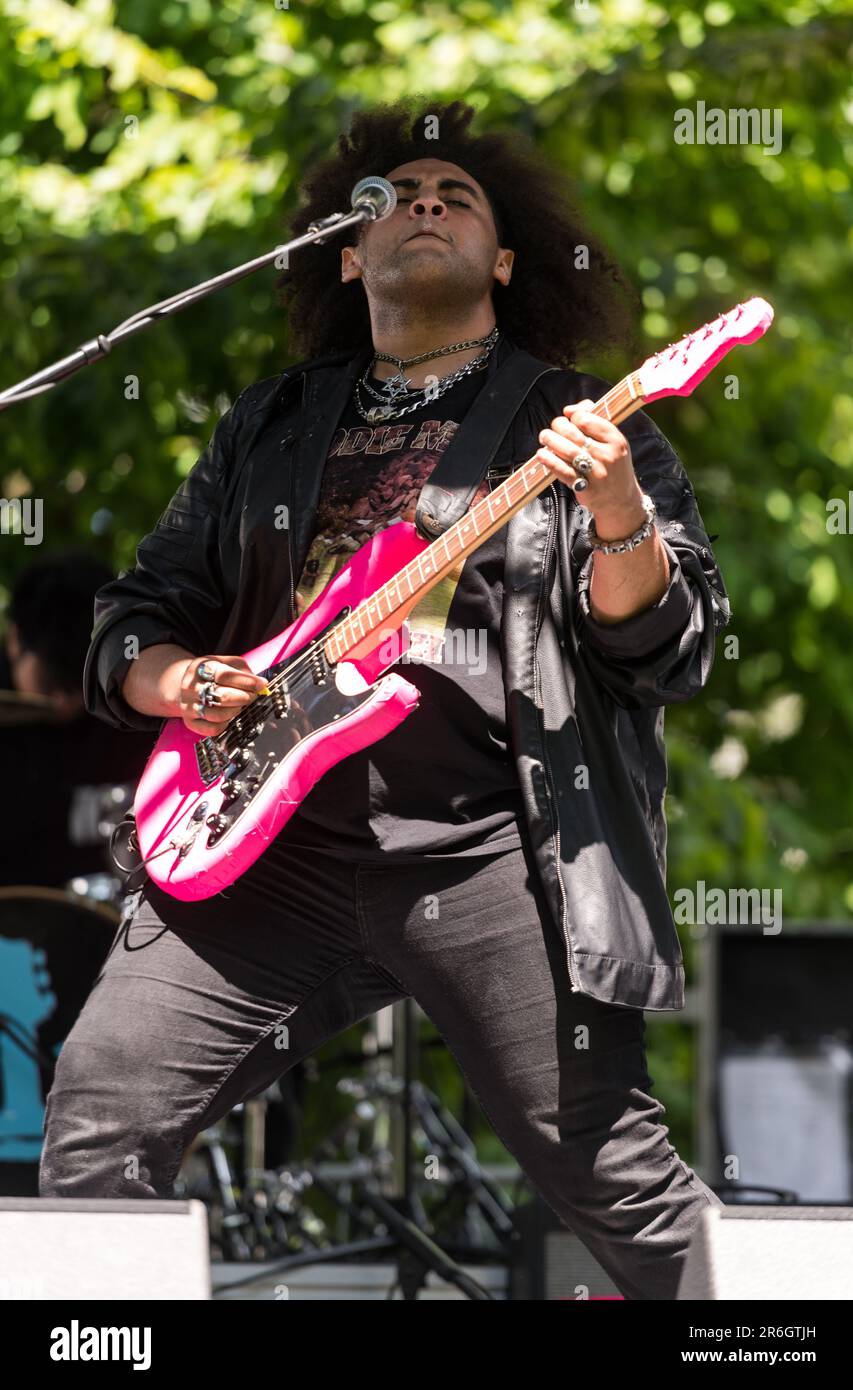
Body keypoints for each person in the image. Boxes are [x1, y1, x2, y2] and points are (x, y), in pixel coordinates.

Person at [39, 98, 731, 1300]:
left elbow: (669, 646)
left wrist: (615, 509)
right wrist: (181, 681)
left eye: (455, 197)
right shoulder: (270, 423)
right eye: (397, 196)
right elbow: (133, 615)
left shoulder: (568, 423)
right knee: (99, 1117)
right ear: (345, 253)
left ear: (504, 262)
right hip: (266, 849)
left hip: (491, 854)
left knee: (618, 1184)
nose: (424, 204)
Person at [0, 553, 153, 888]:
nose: (64, 701)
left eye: (78, 684)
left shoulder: (126, 709)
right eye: (52, 682)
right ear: (14, 641)